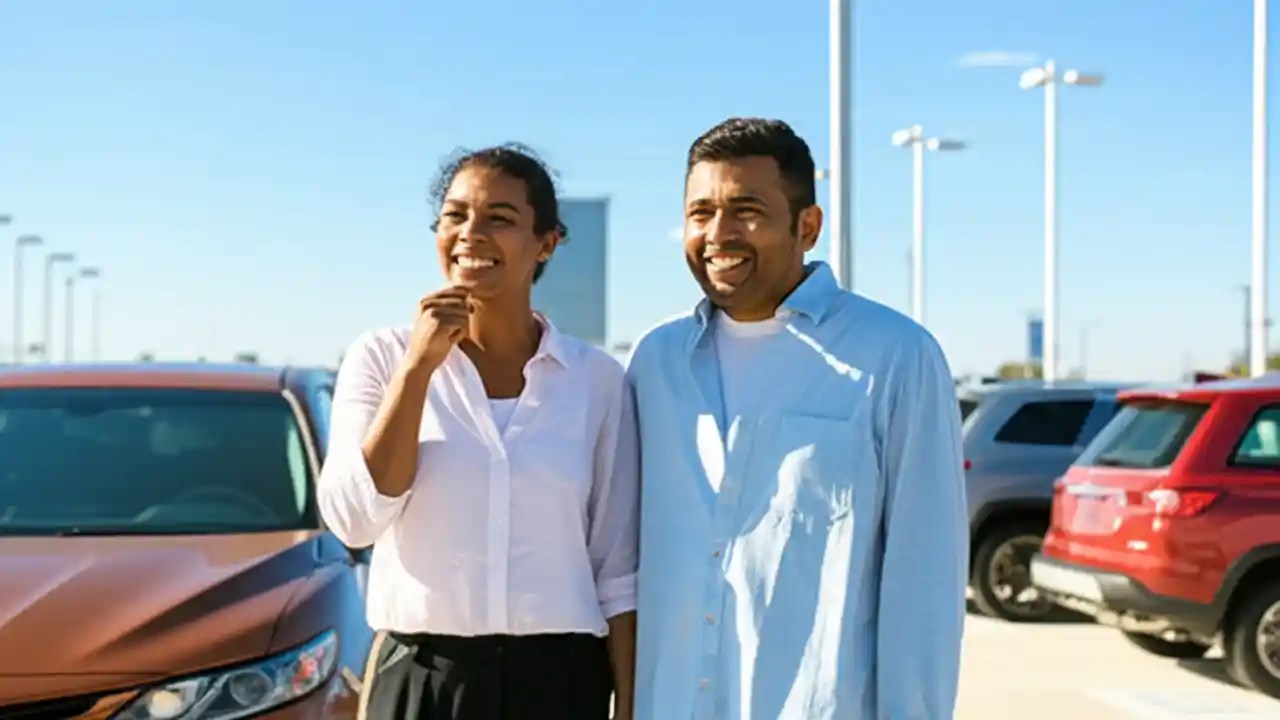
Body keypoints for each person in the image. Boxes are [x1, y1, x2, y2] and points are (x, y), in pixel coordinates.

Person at [627, 118, 967, 719]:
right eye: (701, 211)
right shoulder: (654, 363)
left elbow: (925, 583)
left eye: (746, 210)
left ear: (806, 225)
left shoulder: (895, 356)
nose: (718, 234)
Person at [318, 144, 638, 720]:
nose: (471, 233)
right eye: (455, 215)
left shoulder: (599, 383)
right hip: (422, 681)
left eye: (500, 219)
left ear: (546, 243)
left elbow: (617, 571)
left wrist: (631, 706)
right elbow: (355, 521)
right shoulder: (382, 358)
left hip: (560, 685)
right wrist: (417, 369)